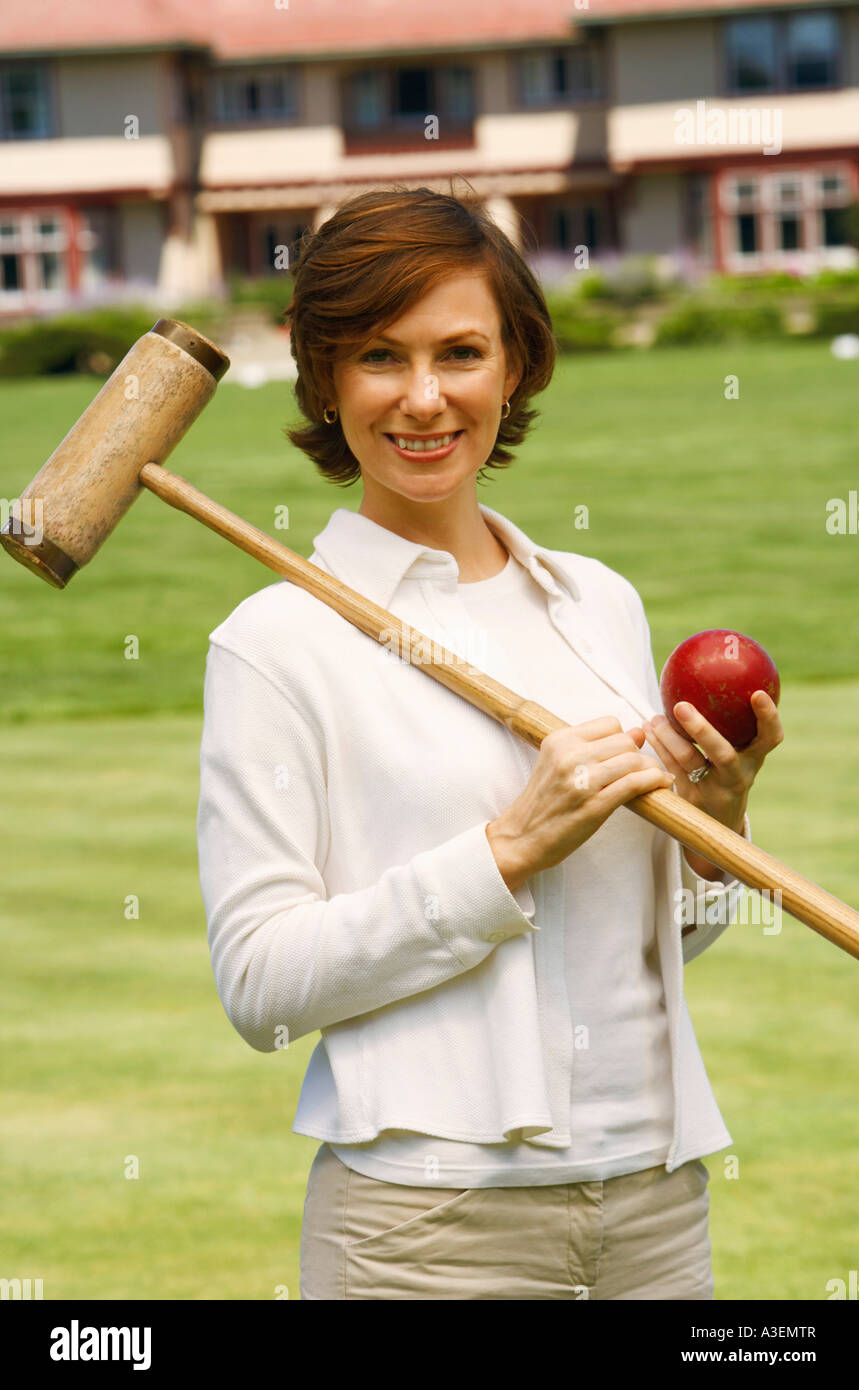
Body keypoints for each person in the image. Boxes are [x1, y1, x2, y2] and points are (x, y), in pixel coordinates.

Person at [196, 183, 784, 1300]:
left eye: (460, 351)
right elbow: (261, 985)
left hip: (655, 1208)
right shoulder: (274, 645)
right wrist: (505, 847)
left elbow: (635, 940)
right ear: (324, 378)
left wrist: (712, 836)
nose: (423, 398)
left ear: (513, 365)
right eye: (378, 355)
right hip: (424, 1232)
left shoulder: (594, 603)